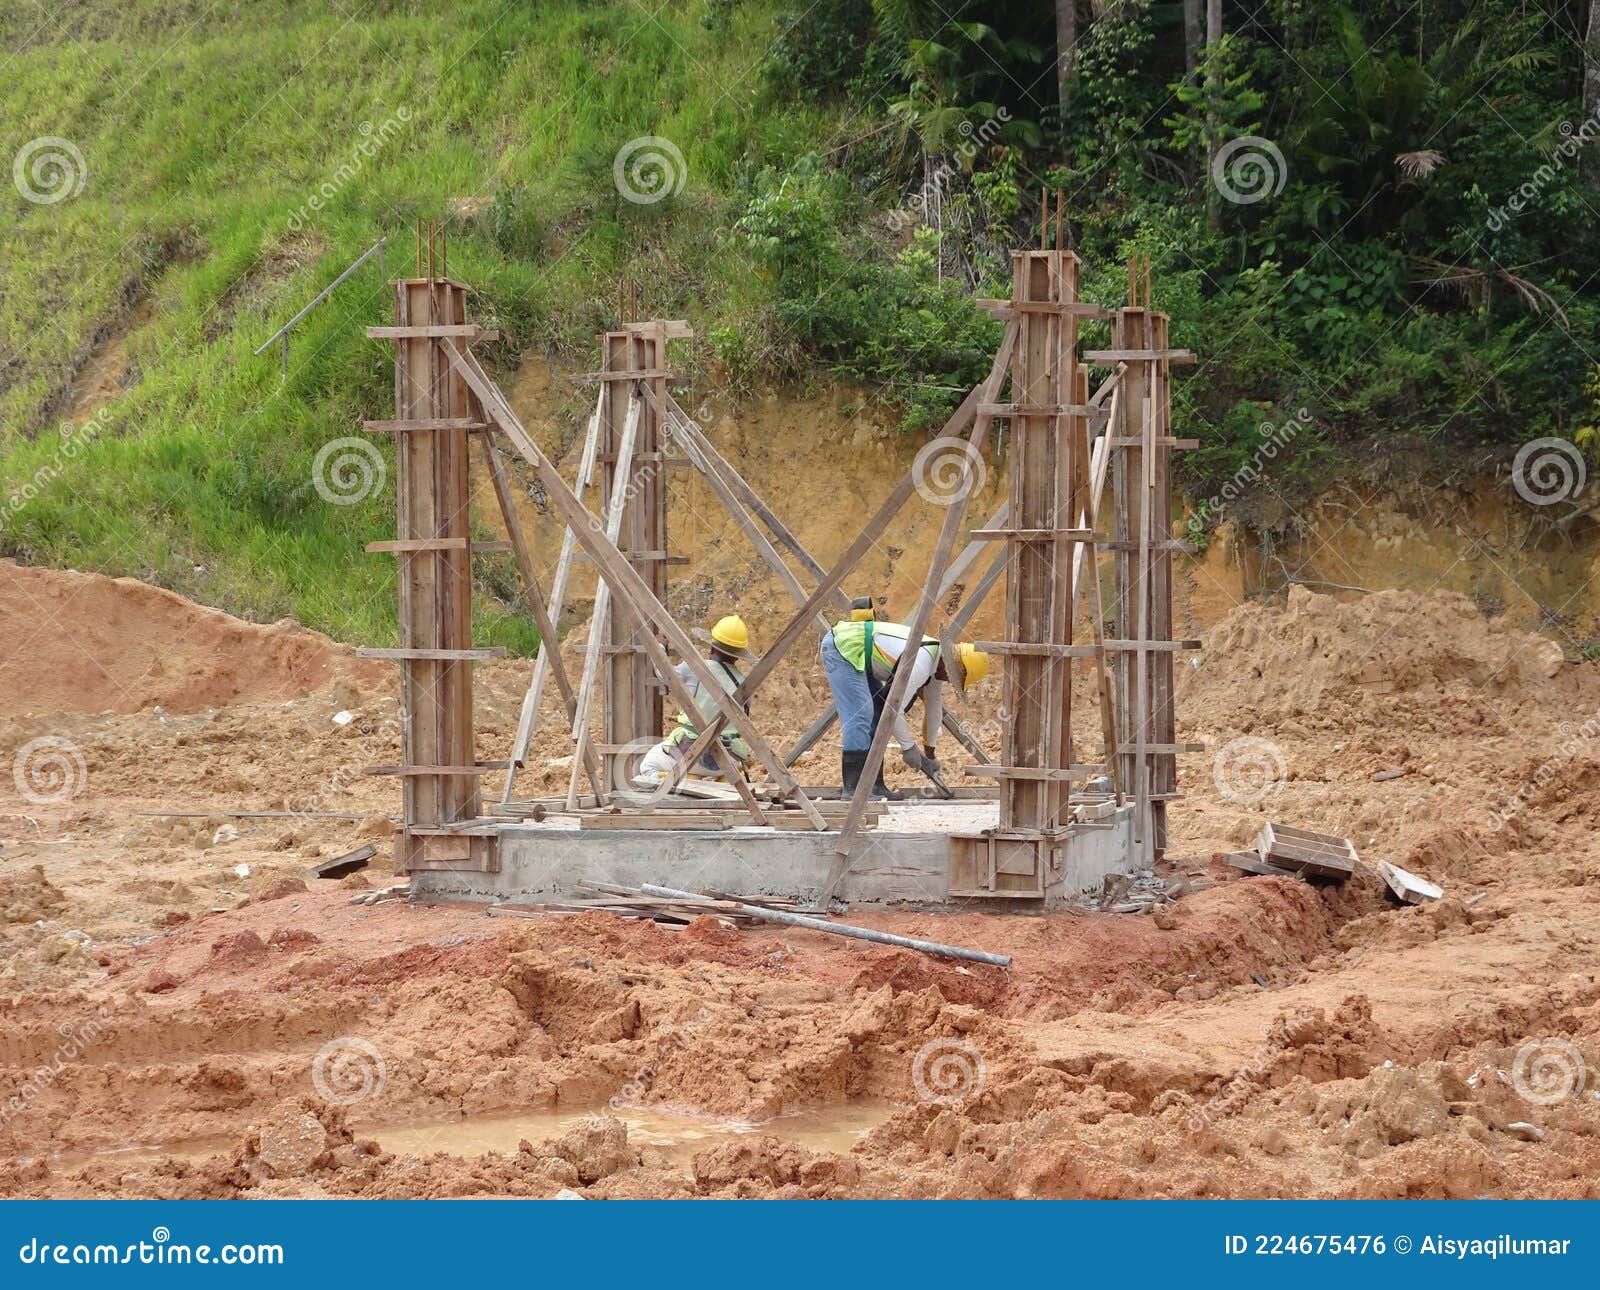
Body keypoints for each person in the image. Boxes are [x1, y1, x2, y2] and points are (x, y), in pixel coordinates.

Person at [819, 617, 988, 799]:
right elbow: (893, 708)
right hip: (842, 648)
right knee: (862, 715)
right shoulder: (921, 662)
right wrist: (908, 748)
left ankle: (875, 786)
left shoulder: (935, 664)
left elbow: (934, 708)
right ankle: (853, 790)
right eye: (953, 677)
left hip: (858, 653)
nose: (949, 681)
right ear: (952, 666)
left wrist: (930, 754)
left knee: (877, 719)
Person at [634, 615, 754, 786]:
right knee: (728, 760)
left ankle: (688, 780)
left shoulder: (694, 668)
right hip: (728, 759)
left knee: (649, 765)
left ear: (712, 645)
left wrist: (660, 645)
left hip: (691, 754)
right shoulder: (744, 682)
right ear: (738, 655)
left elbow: (663, 672)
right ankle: (724, 781)